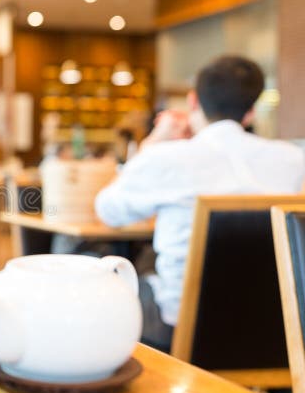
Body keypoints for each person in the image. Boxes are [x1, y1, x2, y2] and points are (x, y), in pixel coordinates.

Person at [95, 56, 305, 351]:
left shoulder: (167, 157)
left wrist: (152, 144)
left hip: (177, 326)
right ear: (250, 112)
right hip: (273, 326)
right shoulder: (293, 160)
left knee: (108, 280)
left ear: (193, 101)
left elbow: (108, 210)